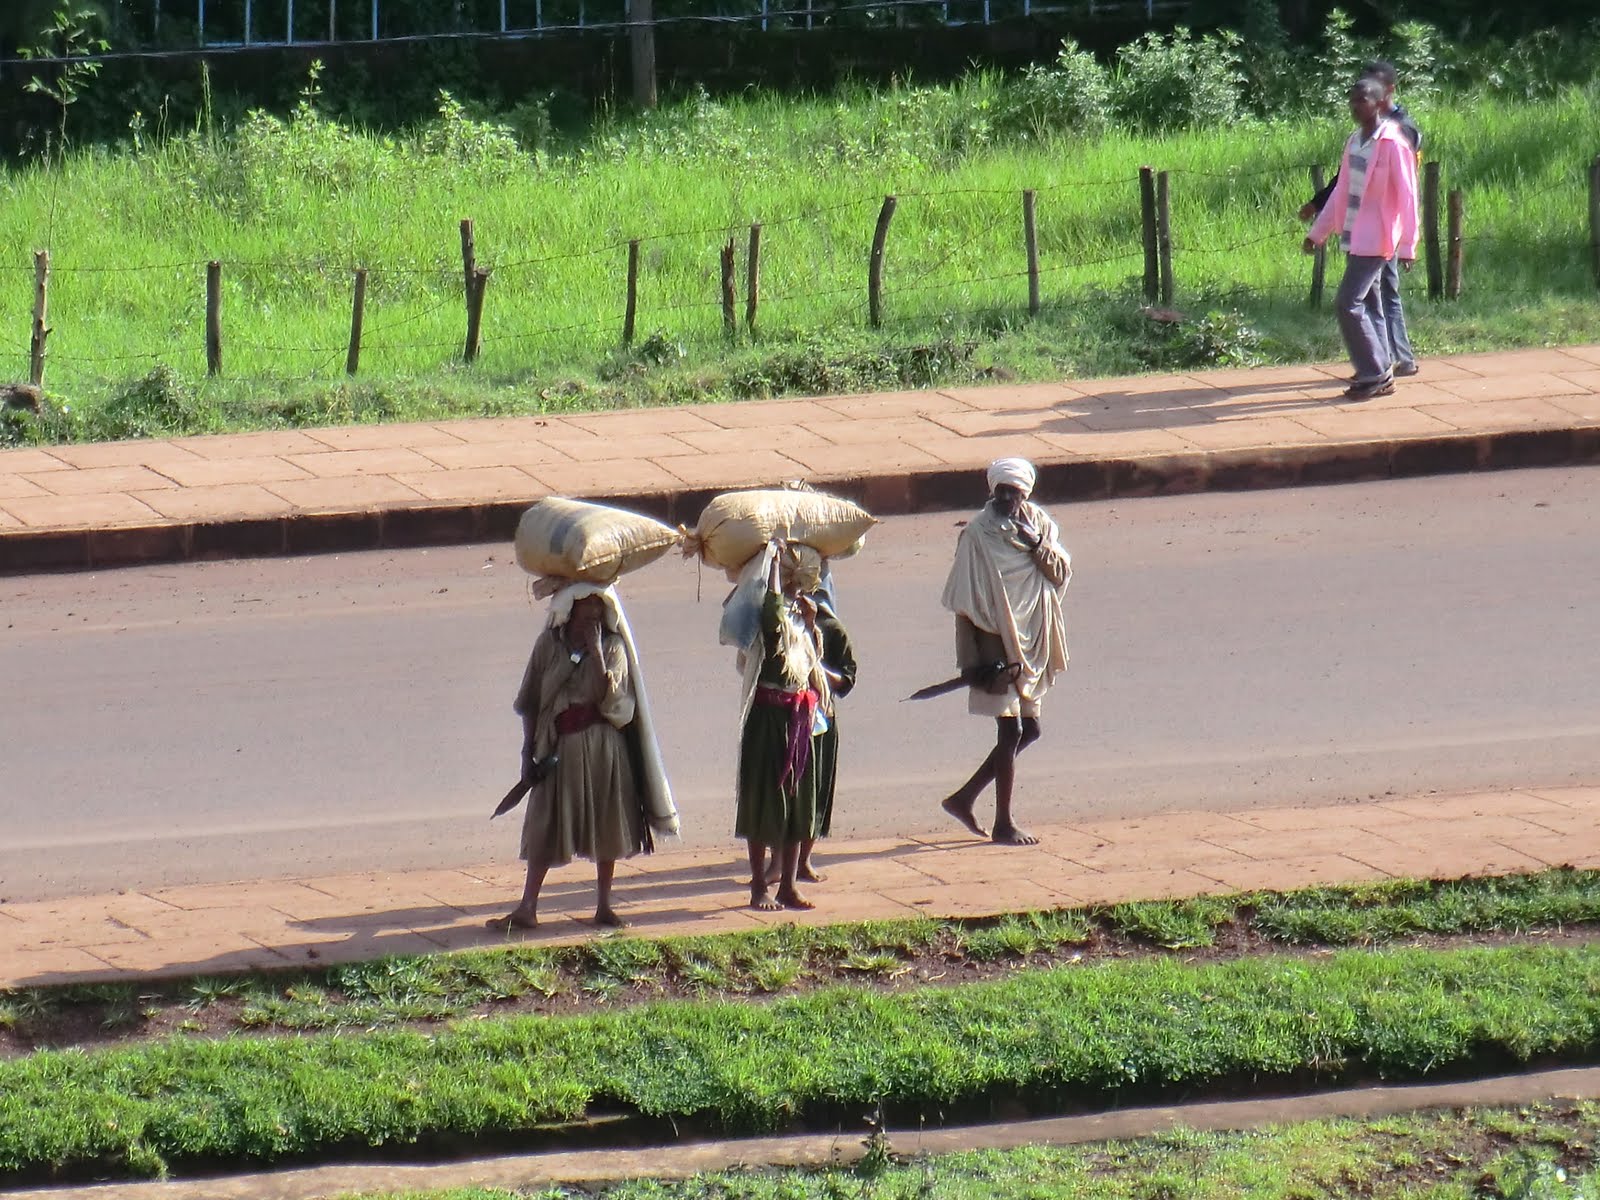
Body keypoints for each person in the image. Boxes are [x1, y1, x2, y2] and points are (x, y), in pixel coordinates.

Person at [490, 582, 678, 931]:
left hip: (604, 749)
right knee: (544, 822)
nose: (591, 613)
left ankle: (604, 906)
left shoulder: (614, 647)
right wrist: (527, 750)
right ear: (569, 610)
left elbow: (613, 699)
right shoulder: (548, 646)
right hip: (558, 747)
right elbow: (531, 701)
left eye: (597, 605)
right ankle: (527, 906)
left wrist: (596, 653)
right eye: (584, 605)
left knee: (607, 822)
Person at [939, 458, 1071, 846]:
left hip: (1032, 635)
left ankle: (963, 798)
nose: (1006, 498)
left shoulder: (1040, 525)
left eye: (1014, 492)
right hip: (994, 640)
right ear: (992, 490)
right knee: (1011, 728)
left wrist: (1038, 545)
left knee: (1030, 729)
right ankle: (1003, 823)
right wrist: (971, 663)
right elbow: (963, 604)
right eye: (1001, 491)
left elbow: (1059, 573)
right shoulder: (977, 535)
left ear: (1025, 493)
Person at [1300, 61, 1424, 380]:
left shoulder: (1394, 142)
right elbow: (1342, 191)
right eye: (1352, 101)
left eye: (1363, 100)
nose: (1356, 107)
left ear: (1379, 103)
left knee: (1347, 303)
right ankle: (1380, 368)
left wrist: (1409, 244)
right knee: (1370, 303)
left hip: (1379, 238)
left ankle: (1375, 371)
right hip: (1354, 235)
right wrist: (1318, 233)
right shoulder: (1354, 142)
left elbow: (1409, 196)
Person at [732, 541, 831, 910]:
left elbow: (810, 665)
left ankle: (788, 885)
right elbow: (773, 618)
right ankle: (759, 886)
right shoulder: (765, 614)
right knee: (763, 801)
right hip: (767, 719)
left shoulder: (801, 618)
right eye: (790, 581)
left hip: (799, 717)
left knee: (798, 802)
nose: (795, 589)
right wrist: (773, 562)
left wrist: (808, 622)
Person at [764, 555, 857, 885]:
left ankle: (803, 860)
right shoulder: (783, 630)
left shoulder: (832, 631)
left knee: (814, 797)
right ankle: (778, 861)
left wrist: (818, 670)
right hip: (787, 719)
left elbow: (847, 679)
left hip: (820, 723)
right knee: (784, 793)